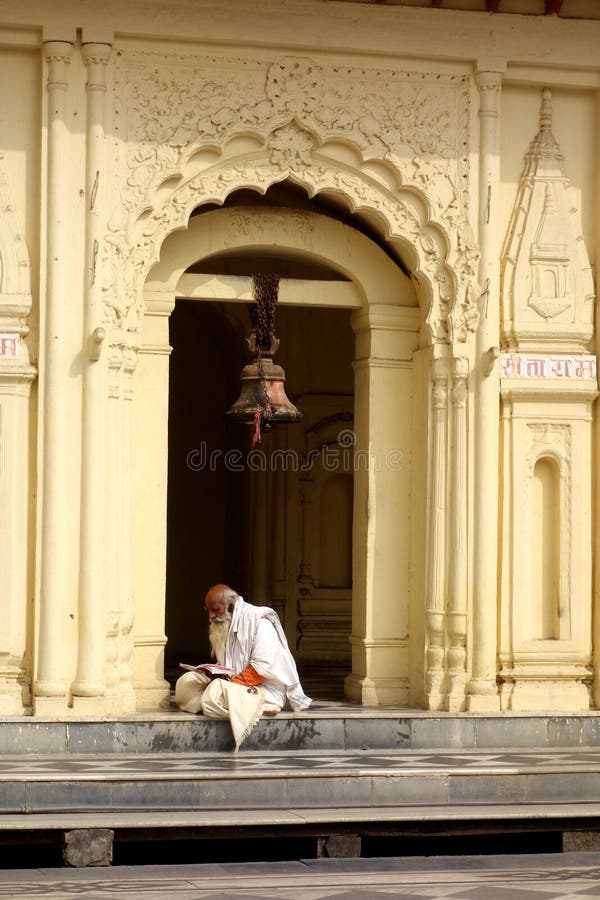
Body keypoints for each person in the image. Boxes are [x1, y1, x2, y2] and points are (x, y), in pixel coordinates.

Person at [175, 584, 311, 749]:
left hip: (263, 688)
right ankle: (240, 706)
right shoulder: (223, 626)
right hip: (234, 684)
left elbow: (261, 669)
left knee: (214, 692)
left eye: (216, 610)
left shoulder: (260, 622)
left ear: (230, 606)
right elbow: (229, 663)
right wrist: (214, 673)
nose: (211, 616)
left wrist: (228, 685)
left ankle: (260, 706)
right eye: (208, 610)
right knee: (186, 683)